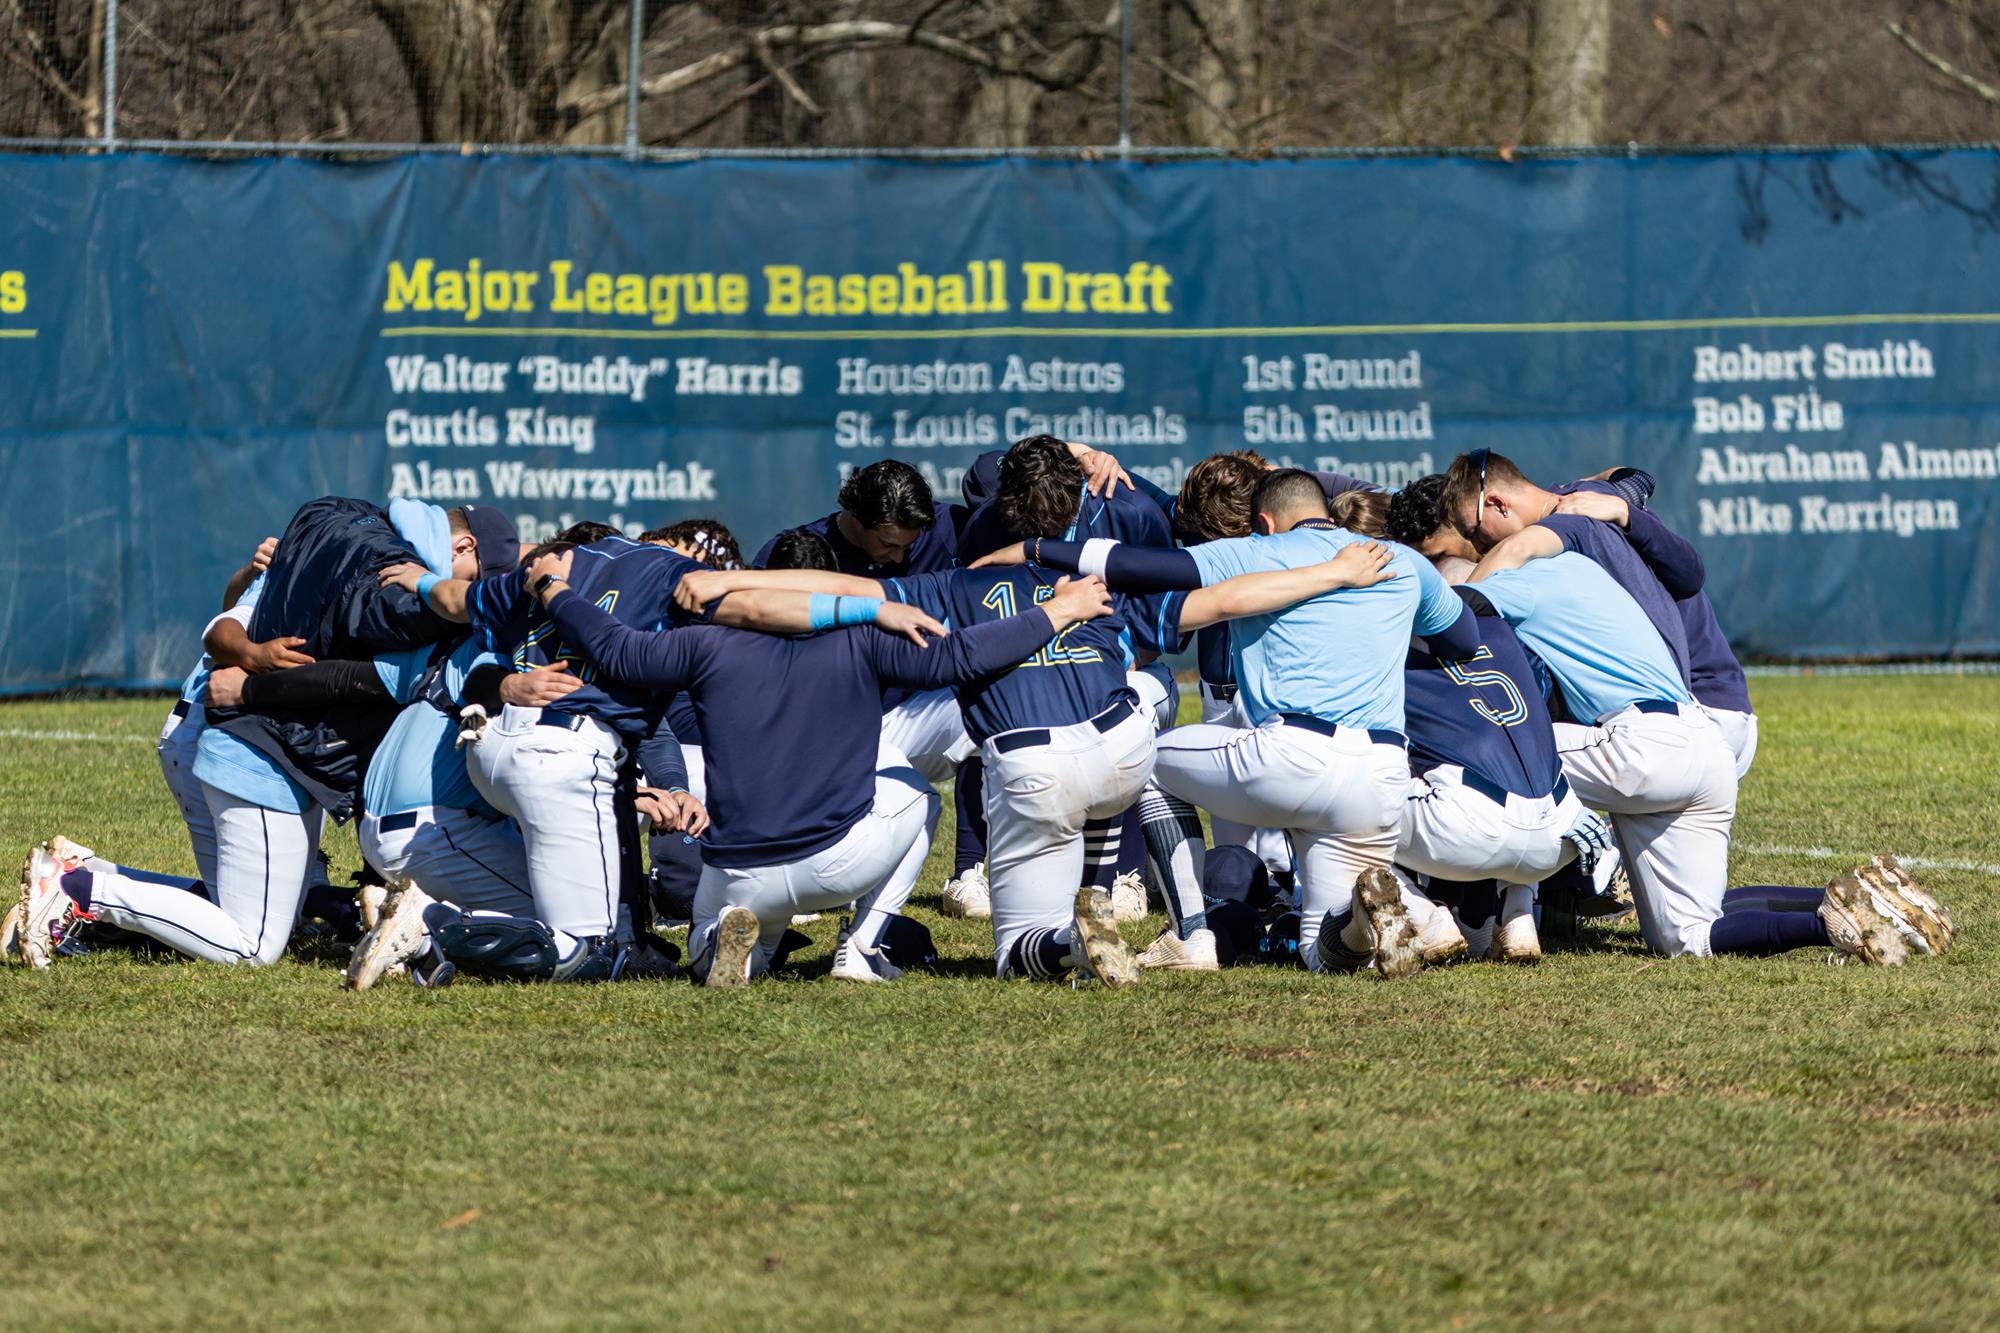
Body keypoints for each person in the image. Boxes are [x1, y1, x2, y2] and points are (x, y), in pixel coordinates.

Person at [528, 546, 1130, 987]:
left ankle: (722, 945)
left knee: (724, 929)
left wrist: (555, 590)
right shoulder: (865, 639)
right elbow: (962, 656)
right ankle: (861, 947)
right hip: (837, 863)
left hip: (737, 868)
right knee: (921, 799)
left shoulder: (701, 645)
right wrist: (1057, 612)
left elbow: (612, 647)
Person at [974, 468, 1484, 979]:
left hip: (1294, 755)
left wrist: (1034, 551)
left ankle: (1191, 934)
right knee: (1322, 954)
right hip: (1381, 772)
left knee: (1143, 762)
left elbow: (1130, 563)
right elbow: (1462, 639)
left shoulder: (1255, 551)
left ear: (1264, 522)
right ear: (1328, 514)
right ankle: (1357, 922)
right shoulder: (1403, 560)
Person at [1459, 535, 1949, 963]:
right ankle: (1852, 906)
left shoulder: (1529, 575)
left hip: (1642, 746)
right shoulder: (1591, 569)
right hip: (1701, 741)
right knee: (1691, 935)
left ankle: (1498, 910)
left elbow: (1457, 610)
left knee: (1500, 751)